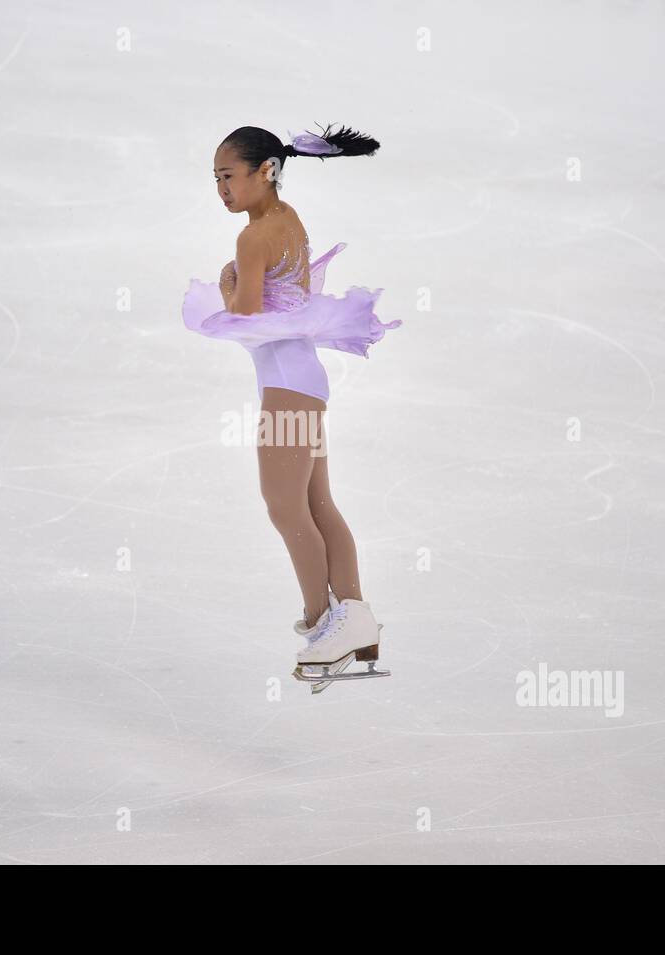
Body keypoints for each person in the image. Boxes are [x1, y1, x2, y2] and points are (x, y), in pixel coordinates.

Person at [181, 123, 401, 681]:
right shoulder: (288, 219)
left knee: (285, 507)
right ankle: (357, 620)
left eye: (229, 177)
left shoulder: (253, 239)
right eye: (215, 180)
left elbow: (247, 314)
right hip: (304, 378)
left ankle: (323, 619)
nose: (222, 190)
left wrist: (229, 282)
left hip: (286, 386)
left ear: (266, 172)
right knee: (317, 503)